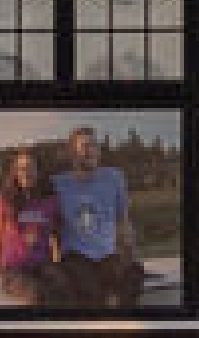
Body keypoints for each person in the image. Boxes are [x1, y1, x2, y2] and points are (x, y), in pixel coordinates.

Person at [49, 125, 141, 311]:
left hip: (107, 256)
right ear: (72, 153)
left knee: (134, 275)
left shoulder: (114, 177)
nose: (91, 151)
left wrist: (130, 253)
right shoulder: (57, 183)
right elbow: (50, 225)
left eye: (94, 145)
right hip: (76, 257)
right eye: (84, 146)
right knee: (91, 292)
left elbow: (123, 220)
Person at [0, 144, 58, 306]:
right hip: (13, 269)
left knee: (65, 289)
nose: (26, 172)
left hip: (42, 265)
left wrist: (57, 267)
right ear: (15, 172)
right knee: (38, 295)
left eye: (31, 167)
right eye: (22, 168)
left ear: (38, 171)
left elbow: (53, 238)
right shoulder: (3, 199)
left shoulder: (49, 200)